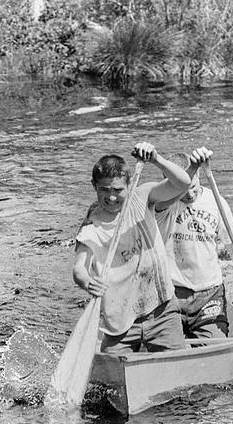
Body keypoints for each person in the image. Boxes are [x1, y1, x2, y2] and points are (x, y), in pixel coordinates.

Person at [73, 142, 196, 353]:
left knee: (175, 368)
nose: (111, 197)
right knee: (111, 374)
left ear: (129, 185)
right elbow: (79, 269)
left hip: (161, 307)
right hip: (119, 319)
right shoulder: (91, 226)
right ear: (94, 186)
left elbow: (183, 183)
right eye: (104, 190)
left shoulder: (142, 197)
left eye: (118, 190)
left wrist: (156, 159)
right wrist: (88, 282)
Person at [156, 148, 233, 339]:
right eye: (182, 188)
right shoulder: (162, 203)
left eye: (193, 186)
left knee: (213, 344)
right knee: (170, 348)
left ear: (198, 175)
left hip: (209, 295)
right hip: (170, 294)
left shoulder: (216, 202)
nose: (189, 194)